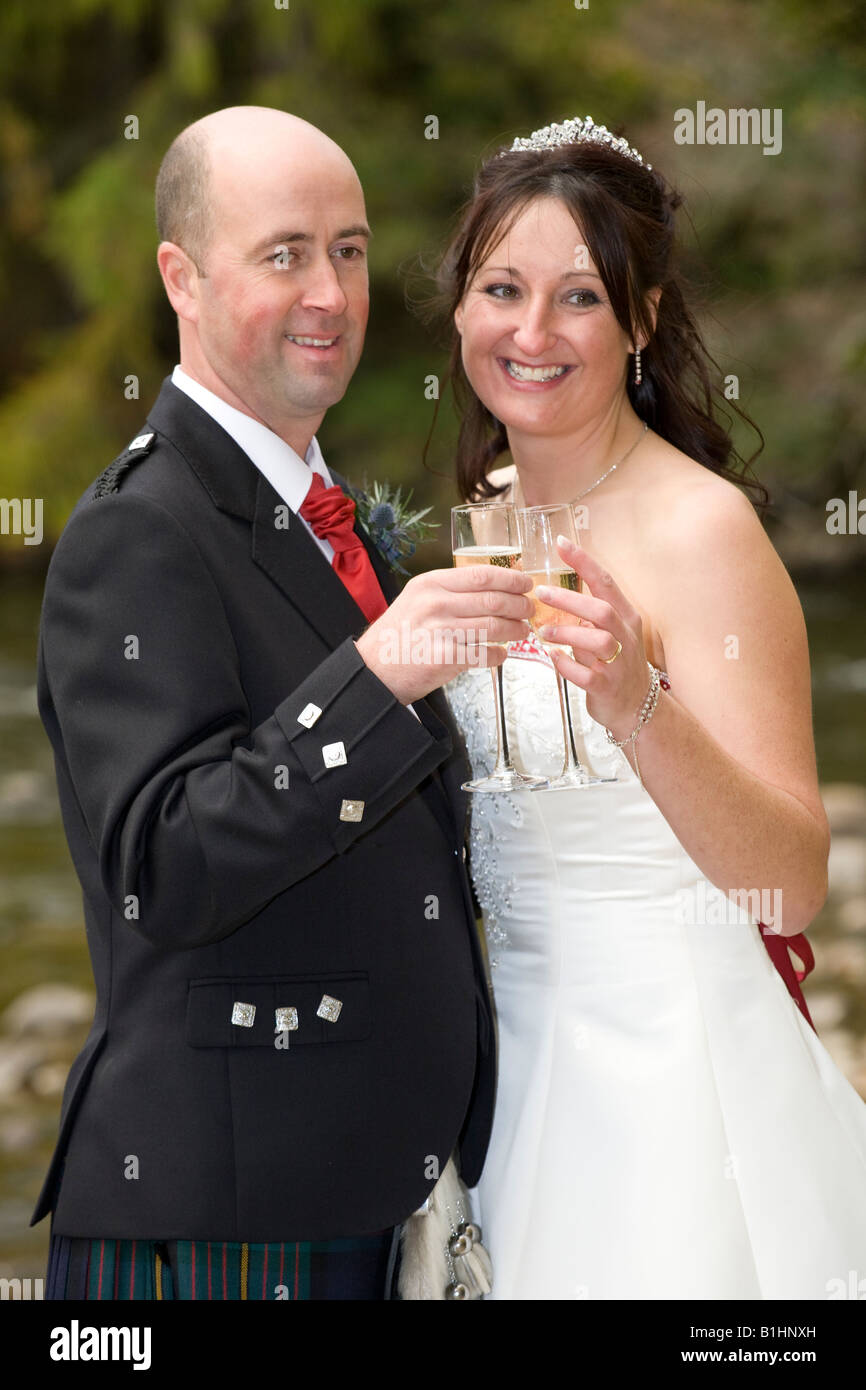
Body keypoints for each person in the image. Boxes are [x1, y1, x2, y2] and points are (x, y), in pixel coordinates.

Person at [33, 105, 534, 1301]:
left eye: (349, 250)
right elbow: (167, 859)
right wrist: (373, 678)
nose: (330, 290)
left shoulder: (332, 525)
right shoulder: (134, 532)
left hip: (369, 1193)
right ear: (182, 277)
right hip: (221, 1219)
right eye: (284, 253)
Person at [441, 116, 866, 1299]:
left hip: (672, 1088)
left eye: (577, 296)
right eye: (501, 288)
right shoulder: (474, 518)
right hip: (502, 1075)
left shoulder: (702, 532)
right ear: (462, 306)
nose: (530, 332)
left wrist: (638, 701)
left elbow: (787, 882)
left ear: (639, 320)